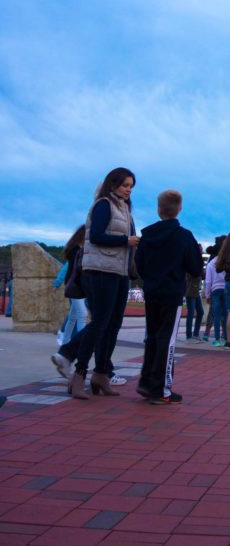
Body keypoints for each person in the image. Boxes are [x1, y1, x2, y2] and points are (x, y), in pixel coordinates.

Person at [69, 168, 139, 399]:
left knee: (113, 324)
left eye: (131, 186)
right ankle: (79, 374)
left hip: (119, 272)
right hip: (100, 271)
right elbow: (96, 236)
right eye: (125, 185)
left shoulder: (125, 209)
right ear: (113, 185)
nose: (128, 189)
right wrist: (125, 240)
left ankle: (101, 374)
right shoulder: (103, 205)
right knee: (99, 323)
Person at [135, 189, 203, 404]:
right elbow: (194, 267)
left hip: (152, 291)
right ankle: (161, 389)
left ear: (159, 209)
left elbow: (140, 265)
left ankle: (146, 382)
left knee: (152, 337)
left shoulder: (147, 236)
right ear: (179, 209)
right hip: (172, 292)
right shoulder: (184, 236)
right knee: (167, 339)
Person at [51, 225, 88, 379]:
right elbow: (65, 269)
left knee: (74, 316)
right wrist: (57, 283)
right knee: (81, 315)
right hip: (76, 288)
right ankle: (77, 346)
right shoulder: (78, 251)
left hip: (77, 287)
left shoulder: (76, 250)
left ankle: (64, 342)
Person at [204, 238, 227, 346]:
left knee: (216, 314)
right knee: (225, 315)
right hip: (226, 290)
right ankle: (226, 336)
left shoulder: (211, 264)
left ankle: (217, 339)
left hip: (215, 290)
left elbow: (208, 281)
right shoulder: (227, 262)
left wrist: (207, 295)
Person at [184, 270, 205, 341]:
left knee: (200, 312)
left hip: (195, 292)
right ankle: (189, 335)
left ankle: (195, 334)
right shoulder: (191, 267)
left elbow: (203, 275)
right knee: (191, 313)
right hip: (190, 292)